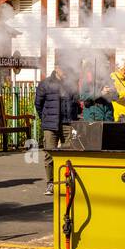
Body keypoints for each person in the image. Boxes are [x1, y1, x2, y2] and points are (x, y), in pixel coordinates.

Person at [35, 63, 79, 195]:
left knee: (69, 152)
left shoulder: (70, 83)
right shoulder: (45, 84)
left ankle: (67, 182)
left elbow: (76, 101)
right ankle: (50, 183)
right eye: (63, 68)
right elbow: (38, 104)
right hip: (51, 124)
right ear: (56, 68)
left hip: (67, 123)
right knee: (49, 154)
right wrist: (45, 117)